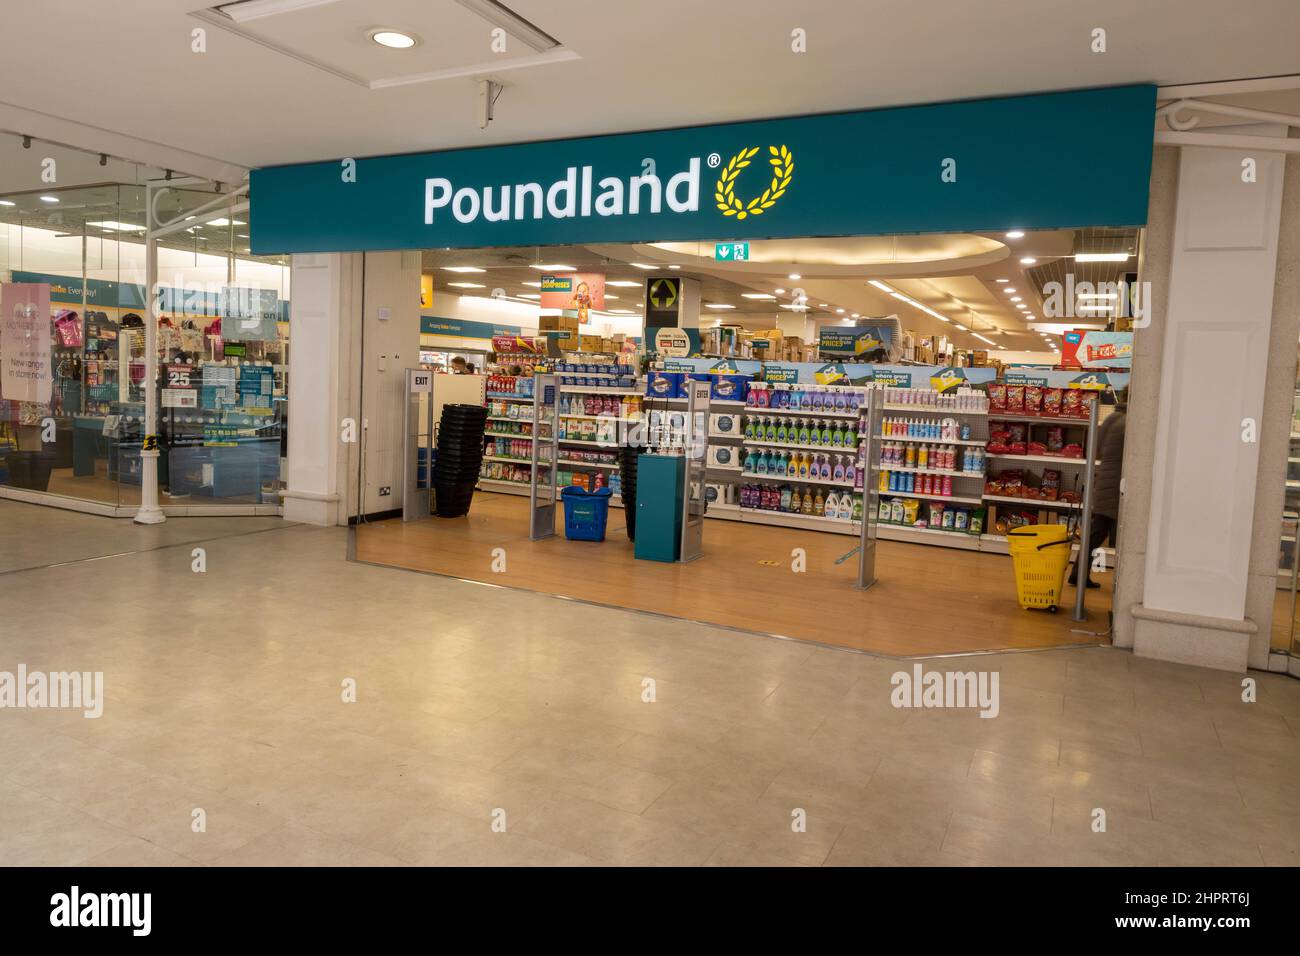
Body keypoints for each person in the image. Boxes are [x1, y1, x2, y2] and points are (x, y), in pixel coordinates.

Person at [1073, 388, 1127, 589]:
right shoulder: (1128, 422)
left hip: (1104, 479)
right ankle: (1120, 584)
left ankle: (1078, 575)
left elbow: (1097, 450)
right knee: (1107, 533)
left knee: (1095, 533)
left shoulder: (1111, 418)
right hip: (1116, 484)